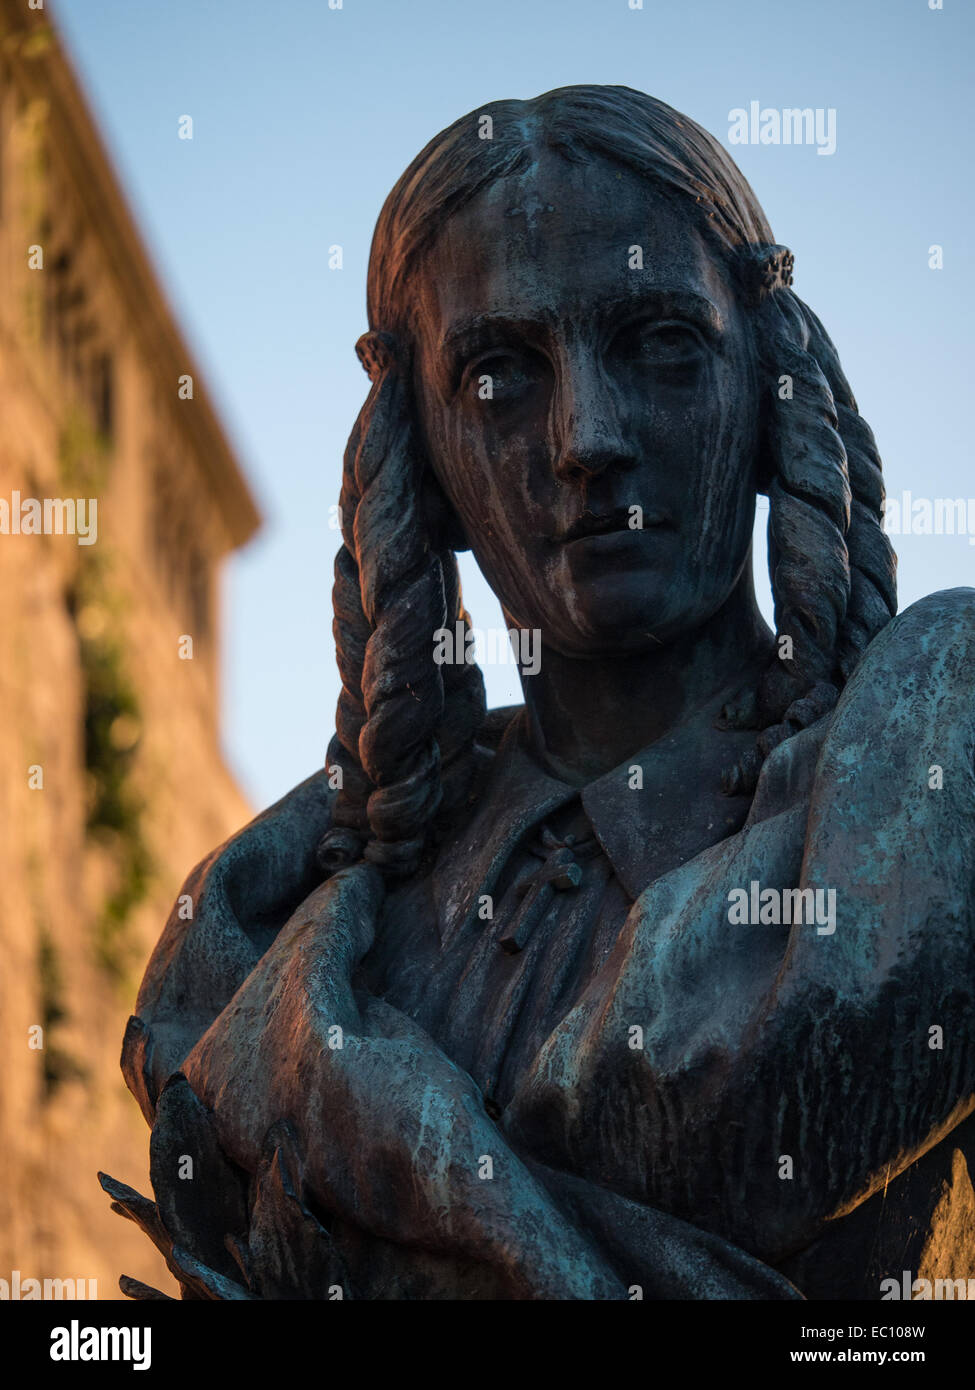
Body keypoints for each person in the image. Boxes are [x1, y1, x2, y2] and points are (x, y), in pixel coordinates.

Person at [102, 85, 975, 1301]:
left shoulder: (927, 766)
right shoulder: (281, 939)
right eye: (502, 375)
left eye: (661, 344)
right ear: (420, 451)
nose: (587, 436)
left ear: (770, 378)